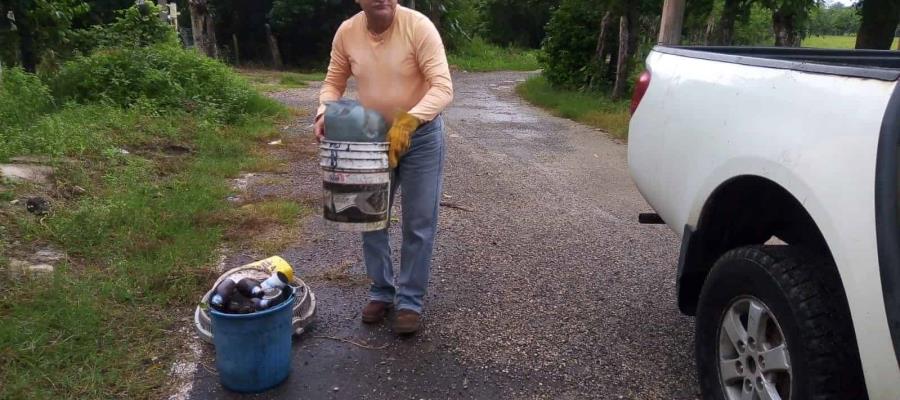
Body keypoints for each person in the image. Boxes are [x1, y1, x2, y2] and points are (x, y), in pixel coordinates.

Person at [314, 0, 453, 334]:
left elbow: (442, 86)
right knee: (369, 217)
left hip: (419, 137)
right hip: (372, 137)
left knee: (419, 223)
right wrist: (323, 110)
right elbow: (333, 82)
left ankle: (410, 301)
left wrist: (408, 122)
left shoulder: (418, 26)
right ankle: (381, 290)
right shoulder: (347, 32)